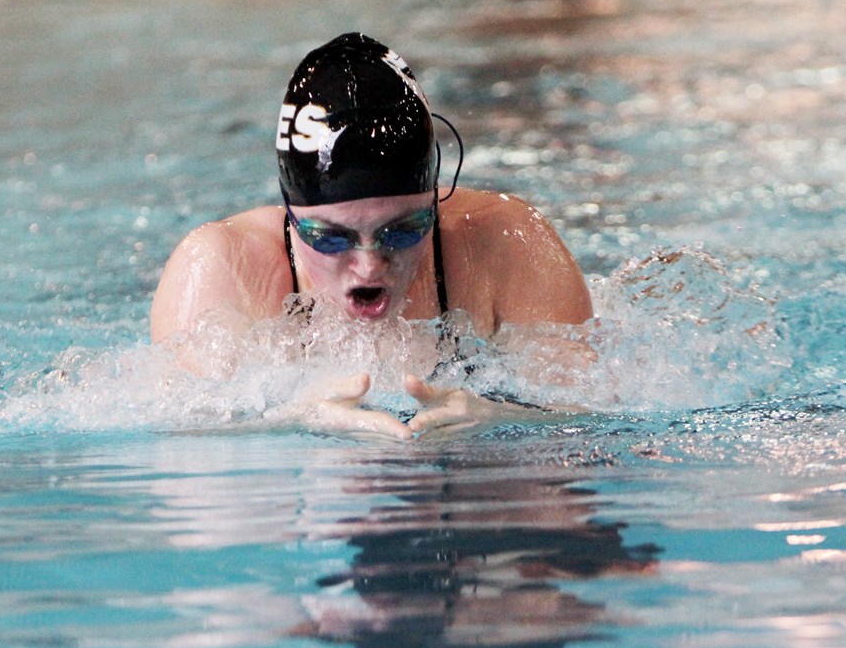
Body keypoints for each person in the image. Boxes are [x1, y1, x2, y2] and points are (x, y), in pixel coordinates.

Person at [150, 32, 592, 438]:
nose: (367, 266)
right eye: (330, 238)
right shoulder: (221, 267)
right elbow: (181, 443)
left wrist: (499, 415)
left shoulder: (508, 244)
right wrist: (293, 420)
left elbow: (594, 415)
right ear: (289, 210)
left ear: (436, 200)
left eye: (402, 231)